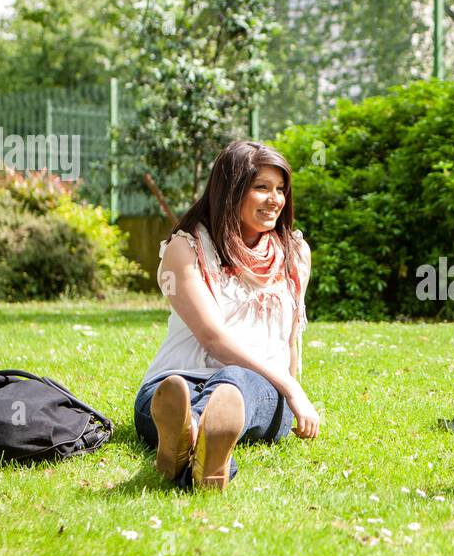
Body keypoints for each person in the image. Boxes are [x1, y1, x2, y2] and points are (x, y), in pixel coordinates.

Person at [134, 140, 321, 491]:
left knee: (235, 381)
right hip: (177, 382)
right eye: (261, 188)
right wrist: (292, 388)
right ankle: (202, 448)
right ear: (231, 190)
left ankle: (190, 434)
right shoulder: (185, 248)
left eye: (281, 189)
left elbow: (290, 336)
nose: (275, 199)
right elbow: (213, 338)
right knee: (177, 392)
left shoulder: (294, 254)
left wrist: (291, 390)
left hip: (257, 391)